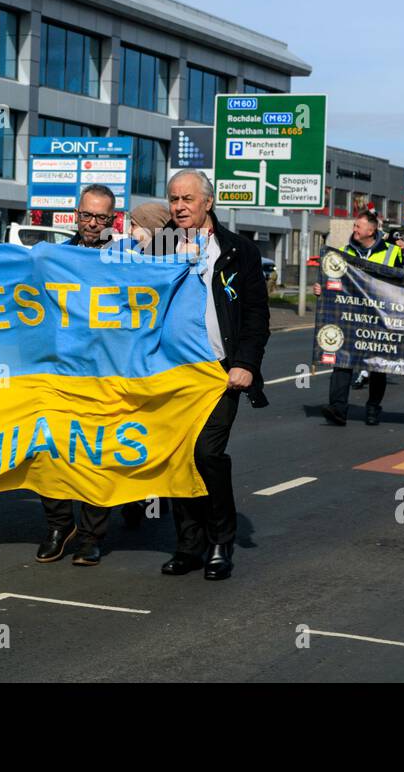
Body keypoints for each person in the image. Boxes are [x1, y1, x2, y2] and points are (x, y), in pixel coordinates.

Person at [161, 170, 269, 581]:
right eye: (173, 199)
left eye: (187, 198)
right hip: (171, 371)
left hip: (219, 372)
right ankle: (189, 544)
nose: (180, 206)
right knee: (177, 455)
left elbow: (257, 313)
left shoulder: (239, 250)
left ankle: (221, 540)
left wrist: (246, 363)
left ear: (208, 202)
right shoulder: (159, 247)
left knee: (206, 453)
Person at [35, 185, 124, 567]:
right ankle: (58, 526)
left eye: (101, 218)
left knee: (94, 456)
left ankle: (91, 536)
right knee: (47, 450)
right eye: (86, 215)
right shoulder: (55, 257)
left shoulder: (127, 260)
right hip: (57, 370)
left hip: (105, 373)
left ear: (112, 220)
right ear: (75, 214)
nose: (92, 224)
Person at [314, 209, 402, 426]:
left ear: (371, 231)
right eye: (354, 226)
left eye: (357, 226)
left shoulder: (392, 253)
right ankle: (338, 408)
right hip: (350, 317)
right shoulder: (344, 252)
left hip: (380, 319)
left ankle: (373, 407)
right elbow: (335, 280)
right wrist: (322, 288)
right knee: (342, 360)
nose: (353, 229)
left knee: (377, 366)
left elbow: (402, 285)